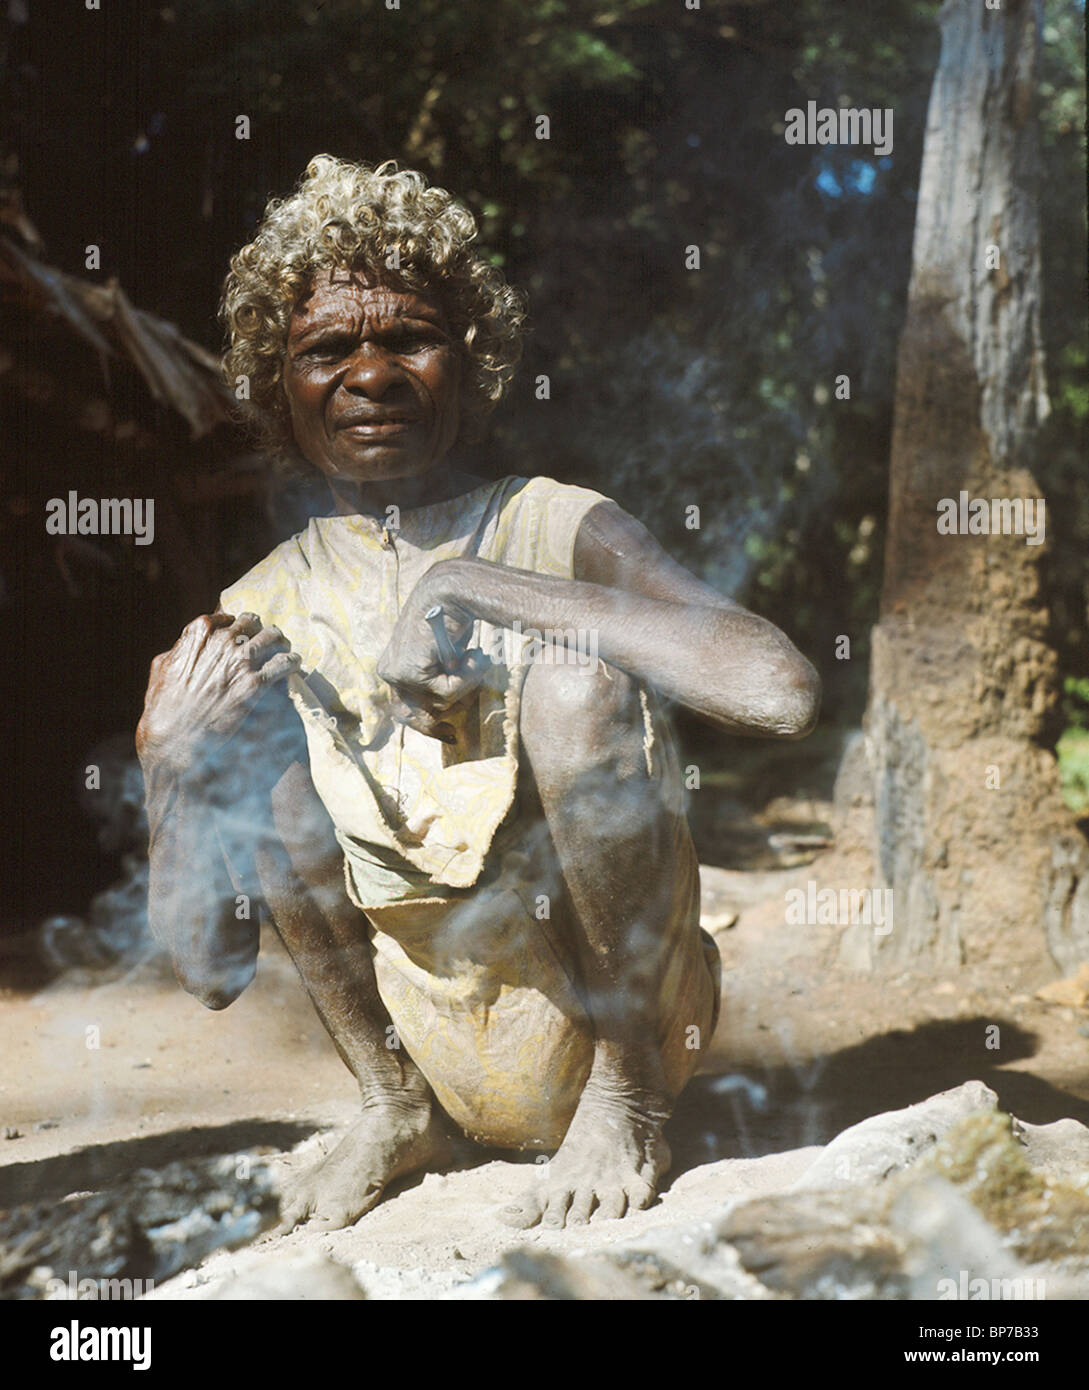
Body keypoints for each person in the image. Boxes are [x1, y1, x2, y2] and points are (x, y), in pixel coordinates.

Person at [136, 155, 820, 1232]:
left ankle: (627, 1097)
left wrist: (467, 583)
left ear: (472, 362)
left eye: (410, 338)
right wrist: (167, 770)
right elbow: (208, 971)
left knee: (572, 686)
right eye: (327, 350)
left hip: (626, 1034)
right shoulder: (258, 609)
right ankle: (392, 1101)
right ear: (283, 387)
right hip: (442, 1046)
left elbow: (777, 686)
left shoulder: (553, 522)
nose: (373, 375)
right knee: (247, 722)